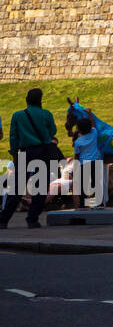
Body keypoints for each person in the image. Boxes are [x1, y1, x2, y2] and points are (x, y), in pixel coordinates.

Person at [1, 88, 60, 229]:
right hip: (43, 151)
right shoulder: (47, 114)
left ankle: (4, 219)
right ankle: (32, 219)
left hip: (25, 152)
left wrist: (15, 154)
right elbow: (53, 131)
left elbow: (13, 137)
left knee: (17, 187)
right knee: (40, 188)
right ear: (40, 100)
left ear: (27, 99)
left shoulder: (18, 115)